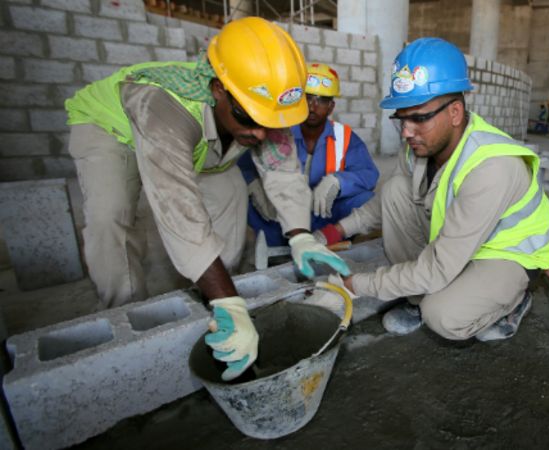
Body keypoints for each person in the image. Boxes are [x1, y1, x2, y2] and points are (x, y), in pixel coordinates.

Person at [64, 17, 350, 380]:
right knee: (111, 217)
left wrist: (300, 234)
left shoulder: (258, 105)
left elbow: (282, 170)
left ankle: (213, 297)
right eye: (249, 117)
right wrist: (229, 299)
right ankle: (127, 320)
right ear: (218, 89)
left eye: (270, 121)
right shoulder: (165, 105)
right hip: (112, 129)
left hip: (204, 142)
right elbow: (176, 205)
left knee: (230, 193)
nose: (261, 132)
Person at [315, 37, 549, 342]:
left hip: (506, 254)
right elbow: (383, 205)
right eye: (401, 119)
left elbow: (439, 266)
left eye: (418, 118)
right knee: (395, 191)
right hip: (463, 242)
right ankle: (418, 298)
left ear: (455, 113)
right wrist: (334, 232)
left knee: (442, 315)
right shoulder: (421, 145)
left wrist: (351, 286)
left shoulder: (492, 166)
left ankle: (512, 302)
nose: (406, 132)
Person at [237, 62, 379, 246]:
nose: (312, 106)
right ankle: (279, 250)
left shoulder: (345, 137)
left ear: (331, 107)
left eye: (321, 100)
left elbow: (369, 174)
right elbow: (244, 163)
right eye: (308, 98)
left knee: (365, 199)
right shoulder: (279, 131)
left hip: (325, 213)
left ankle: (333, 237)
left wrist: (338, 182)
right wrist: (253, 184)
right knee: (243, 197)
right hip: (282, 213)